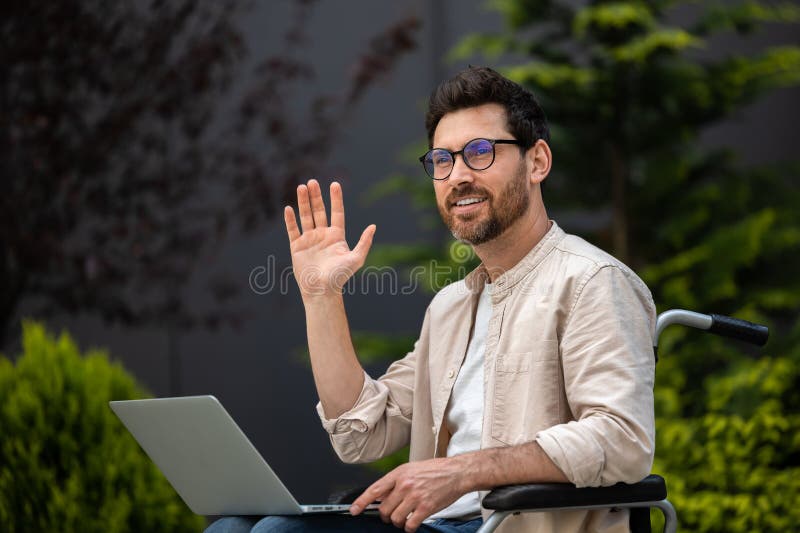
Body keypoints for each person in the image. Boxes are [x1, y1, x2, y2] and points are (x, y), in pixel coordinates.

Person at [206, 66, 656, 533]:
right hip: (432, 526)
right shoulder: (450, 307)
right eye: (442, 160)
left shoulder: (592, 281)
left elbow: (622, 440)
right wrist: (321, 296)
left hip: (506, 526)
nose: (458, 175)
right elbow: (365, 433)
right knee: (232, 528)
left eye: (480, 152)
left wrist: (462, 472)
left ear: (537, 161)